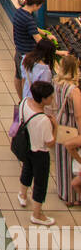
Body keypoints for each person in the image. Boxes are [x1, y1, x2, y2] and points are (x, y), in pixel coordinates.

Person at [17, 81, 58, 226]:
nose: (52, 98)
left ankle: (22, 195)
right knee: (40, 183)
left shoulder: (24, 103)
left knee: (27, 170)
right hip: (40, 153)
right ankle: (37, 214)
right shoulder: (43, 120)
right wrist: (56, 127)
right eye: (50, 97)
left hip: (26, 146)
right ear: (43, 99)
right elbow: (50, 142)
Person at [54, 54, 81, 203]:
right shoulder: (73, 89)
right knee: (72, 160)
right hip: (71, 125)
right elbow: (78, 114)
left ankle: (62, 190)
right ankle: (72, 196)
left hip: (61, 121)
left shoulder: (57, 83)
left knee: (61, 158)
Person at [12, 0, 45, 100]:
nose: (40, 8)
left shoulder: (19, 12)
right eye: (40, 6)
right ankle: (26, 101)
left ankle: (21, 100)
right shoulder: (29, 19)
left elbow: (32, 28)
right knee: (26, 79)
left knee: (18, 76)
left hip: (19, 51)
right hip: (27, 55)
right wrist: (58, 52)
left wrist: (44, 33)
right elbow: (39, 42)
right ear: (35, 5)